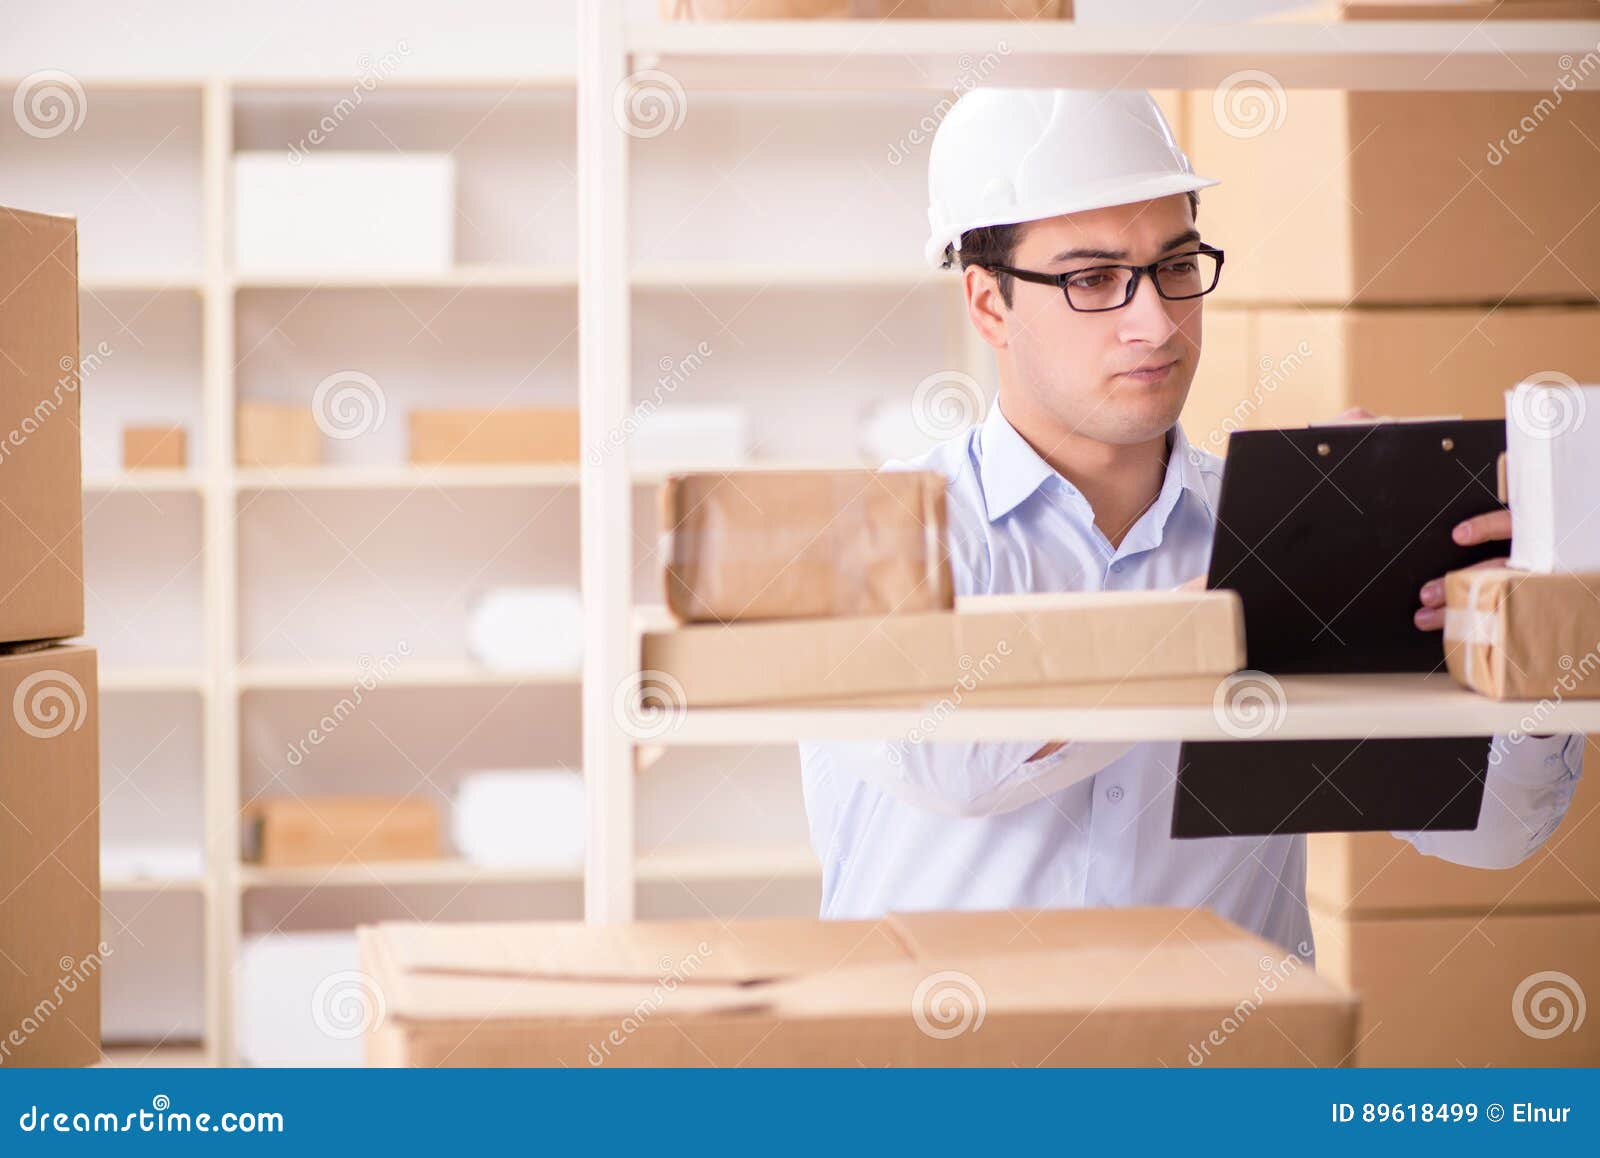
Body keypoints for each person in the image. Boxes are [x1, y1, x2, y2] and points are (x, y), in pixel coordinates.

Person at [797, 88, 1585, 960]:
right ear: (988, 305)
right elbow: (942, 764)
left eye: (1176, 265)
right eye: (1094, 279)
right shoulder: (887, 532)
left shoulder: (1281, 533)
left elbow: (1493, 833)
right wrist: (1220, 613)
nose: (1157, 321)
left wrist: (1527, 644)